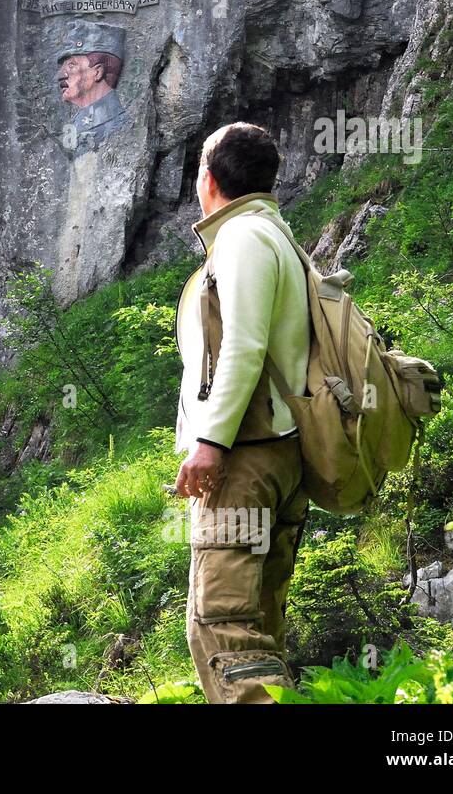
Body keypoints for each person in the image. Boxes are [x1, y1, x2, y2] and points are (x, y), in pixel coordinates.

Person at [173, 122, 310, 704]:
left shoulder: (242, 239)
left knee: (221, 623)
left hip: (247, 461)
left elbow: (245, 345)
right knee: (257, 625)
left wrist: (211, 444)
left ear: (208, 179)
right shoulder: (277, 236)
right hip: (277, 454)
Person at [55, 19, 131, 147]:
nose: (60, 76)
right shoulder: (78, 123)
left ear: (97, 72)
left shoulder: (118, 125)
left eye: (71, 65)